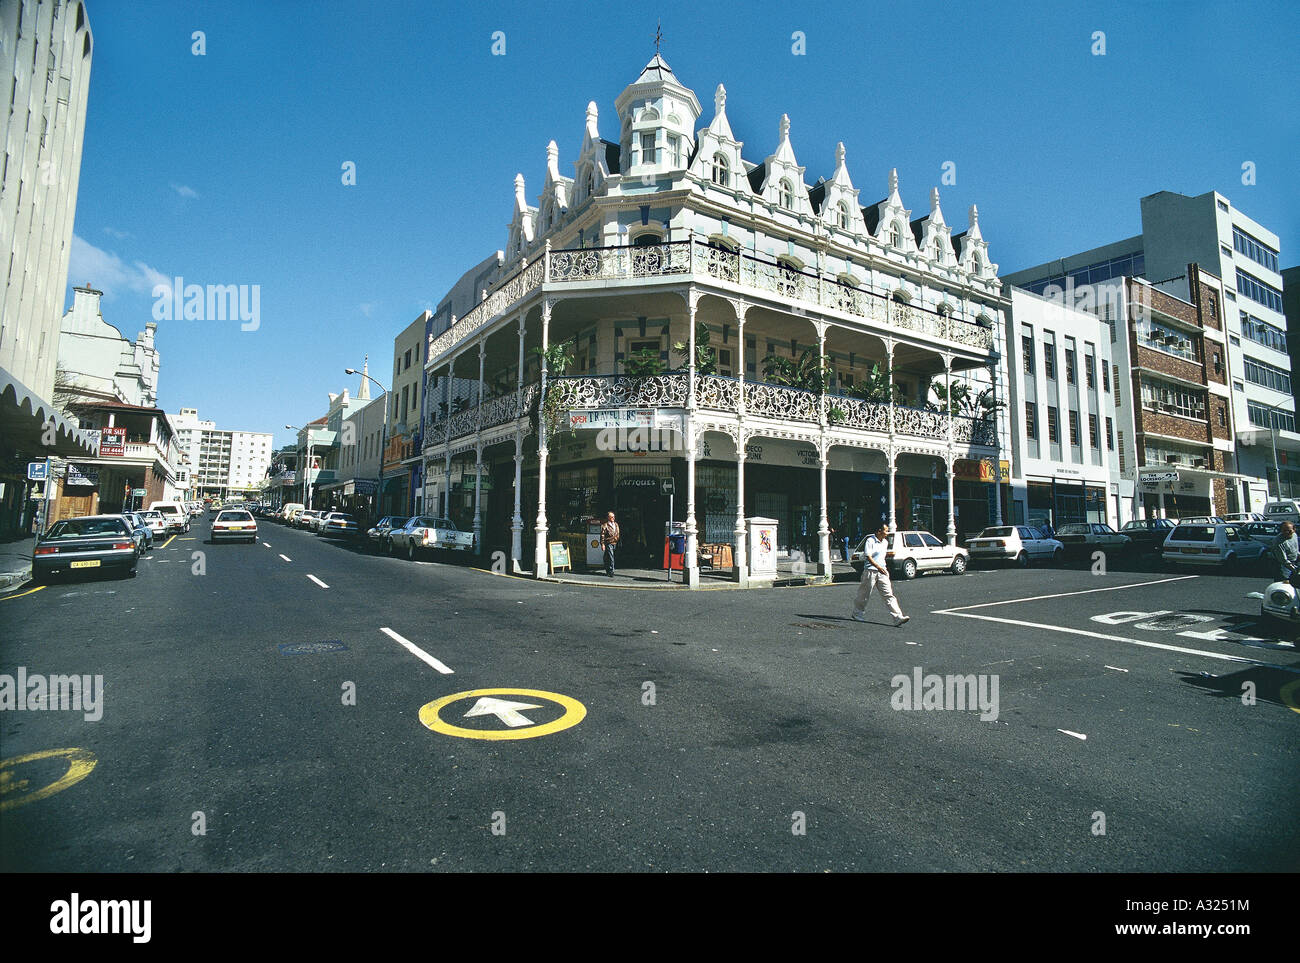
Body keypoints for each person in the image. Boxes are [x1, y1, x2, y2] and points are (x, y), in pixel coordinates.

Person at [851, 522, 910, 626]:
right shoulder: (870, 540)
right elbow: (868, 556)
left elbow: (882, 557)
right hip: (870, 571)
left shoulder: (885, 543)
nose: (887, 533)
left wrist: (884, 569)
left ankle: (897, 617)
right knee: (865, 594)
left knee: (888, 594)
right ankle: (857, 613)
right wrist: (878, 567)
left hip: (882, 571)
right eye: (885, 530)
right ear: (879, 531)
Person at [600, 511, 620, 578]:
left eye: (614, 517)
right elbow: (602, 535)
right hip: (608, 543)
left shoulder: (616, 524)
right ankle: (611, 571)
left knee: (607, 557)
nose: (613, 518)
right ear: (608, 517)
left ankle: (607, 569)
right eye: (612, 517)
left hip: (615, 542)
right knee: (611, 557)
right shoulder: (605, 525)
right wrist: (602, 544)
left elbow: (617, 532)